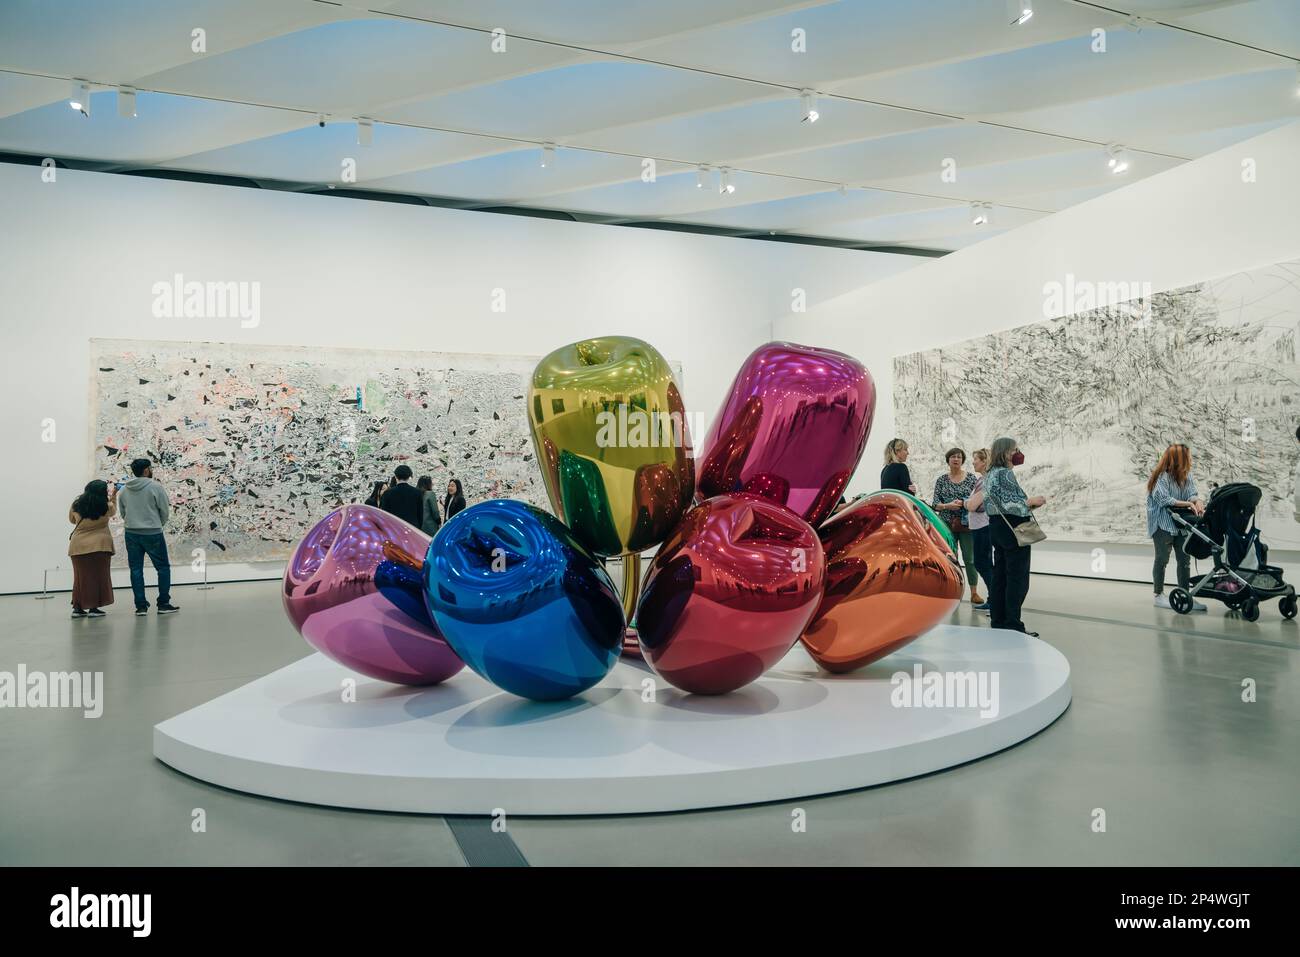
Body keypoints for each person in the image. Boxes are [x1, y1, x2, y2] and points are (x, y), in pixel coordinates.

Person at [967, 437, 1044, 637]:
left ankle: (999, 620)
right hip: (1013, 527)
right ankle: (1013, 624)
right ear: (1006, 452)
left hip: (996, 527)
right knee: (1017, 578)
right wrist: (1032, 501)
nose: (1018, 453)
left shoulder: (990, 474)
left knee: (1001, 575)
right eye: (1015, 449)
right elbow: (1012, 504)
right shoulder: (1005, 474)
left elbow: (995, 503)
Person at [1147, 443, 1206, 612]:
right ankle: (1158, 595)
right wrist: (1187, 503)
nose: (1190, 459)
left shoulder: (1187, 476)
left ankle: (1185, 595)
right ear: (1179, 459)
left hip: (1180, 524)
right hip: (1162, 524)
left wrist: (1198, 501)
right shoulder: (1162, 477)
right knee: (1162, 559)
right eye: (1187, 456)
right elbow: (1163, 500)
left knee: (1184, 560)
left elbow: (1192, 493)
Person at [118, 458, 179, 616]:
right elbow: (164, 510)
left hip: (131, 533)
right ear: (146, 470)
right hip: (152, 532)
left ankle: (141, 607)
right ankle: (163, 603)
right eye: (150, 468)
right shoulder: (155, 487)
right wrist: (158, 523)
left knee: (136, 569)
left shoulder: (124, 489)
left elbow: (123, 512)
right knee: (163, 568)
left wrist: (132, 522)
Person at [932, 448, 981, 606]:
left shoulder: (972, 479)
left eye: (959, 457)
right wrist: (948, 506)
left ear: (963, 460)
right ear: (948, 460)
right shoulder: (941, 480)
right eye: (953, 456)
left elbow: (978, 501)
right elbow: (935, 505)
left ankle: (974, 593)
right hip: (946, 525)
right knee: (950, 560)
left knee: (970, 559)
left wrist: (964, 504)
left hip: (967, 524)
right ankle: (953, 591)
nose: (956, 459)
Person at [68, 480, 116, 618]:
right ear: (103, 492)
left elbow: (72, 520)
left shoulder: (76, 504)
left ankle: (77, 608)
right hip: (100, 545)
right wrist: (114, 496)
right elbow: (113, 512)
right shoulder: (106, 506)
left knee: (80, 578)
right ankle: (93, 608)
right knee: (98, 577)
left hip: (78, 546)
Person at [963, 449, 995, 613]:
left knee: (982, 563)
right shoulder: (982, 480)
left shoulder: (985, 481)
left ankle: (995, 599)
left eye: (975, 459)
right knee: (985, 563)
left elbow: (978, 506)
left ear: (984, 461)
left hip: (983, 527)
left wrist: (965, 503)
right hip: (980, 527)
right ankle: (993, 598)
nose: (973, 462)